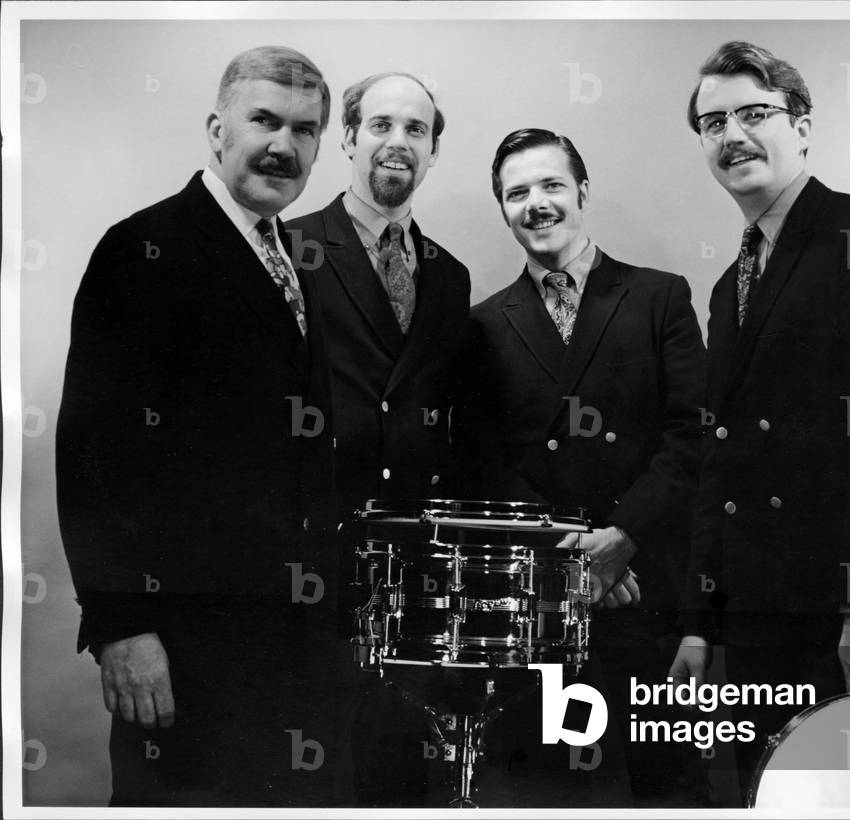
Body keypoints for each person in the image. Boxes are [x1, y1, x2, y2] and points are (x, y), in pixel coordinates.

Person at [670, 40, 850, 802]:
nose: (731, 135)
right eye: (712, 122)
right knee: (771, 800)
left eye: (754, 113)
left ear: (802, 126)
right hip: (765, 606)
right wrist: (700, 620)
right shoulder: (730, 282)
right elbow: (718, 456)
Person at [56, 46, 338, 807]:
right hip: (178, 648)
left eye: (305, 130)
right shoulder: (142, 248)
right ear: (217, 131)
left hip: (286, 644)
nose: (284, 145)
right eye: (264, 121)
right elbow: (91, 456)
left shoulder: (299, 260)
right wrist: (122, 627)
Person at [459, 128, 707, 806]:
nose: (535, 204)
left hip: (648, 591)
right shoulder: (482, 326)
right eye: (516, 193)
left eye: (550, 186)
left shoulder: (659, 297)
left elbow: (691, 437)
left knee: (673, 792)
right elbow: (485, 463)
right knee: (552, 793)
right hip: (546, 603)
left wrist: (622, 539)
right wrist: (568, 559)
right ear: (502, 208)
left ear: (583, 193)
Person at [286, 72, 470, 806]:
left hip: (416, 580)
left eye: (416, 130)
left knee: (402, 781)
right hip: (312, 570)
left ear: (432, 153)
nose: (399, 143)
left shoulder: (449, 276)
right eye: (382, 126)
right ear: (349, 138)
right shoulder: (287, 249)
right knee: (318, 779)